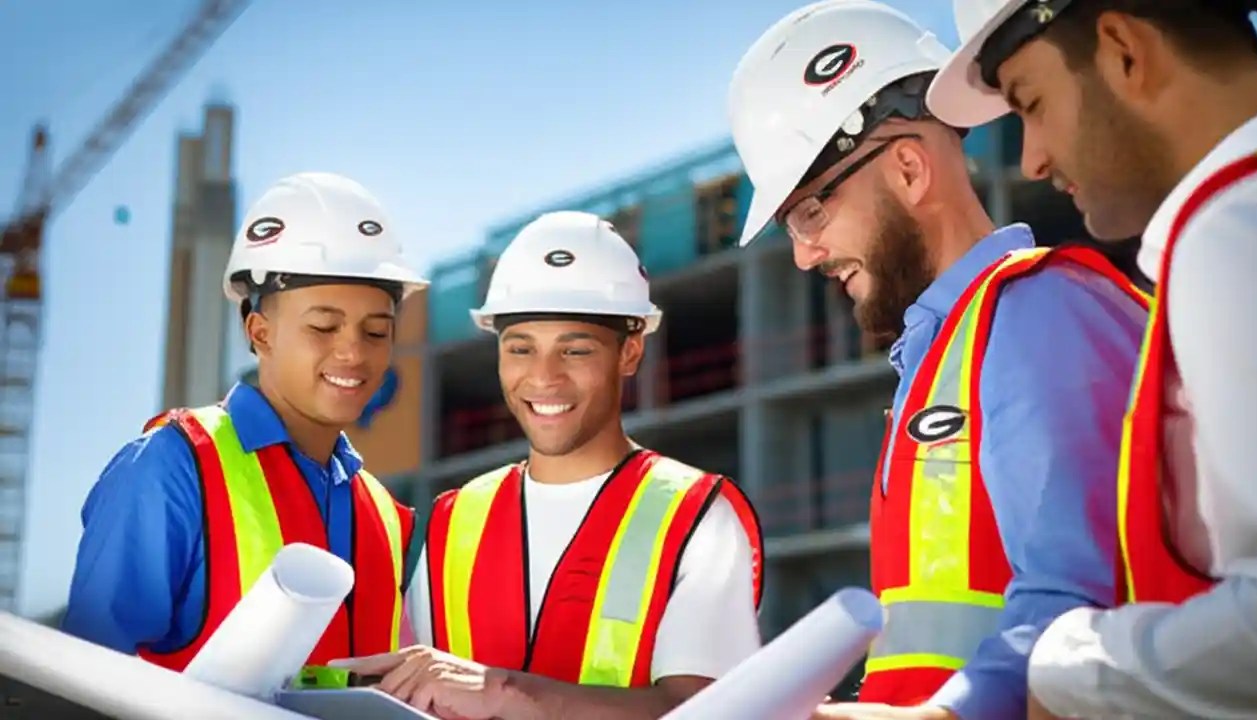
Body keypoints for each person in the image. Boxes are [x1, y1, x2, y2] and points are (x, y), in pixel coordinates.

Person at [726, 2, 1150, 719]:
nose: (804, 255)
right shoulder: (947, 357)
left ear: (910, 169)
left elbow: (1090, 601)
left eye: (810, 215)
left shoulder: (1041, 311)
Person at [926, 0, 1257, 717]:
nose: (1032, 159)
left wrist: (1064, 667)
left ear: (1122, 50)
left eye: (1031, 103)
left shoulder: (1238, 231)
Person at [330, 210, 765, 719]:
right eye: (520, 349)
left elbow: (716, 715)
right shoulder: (456, 519)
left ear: (630, 352)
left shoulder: (697, 516)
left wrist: (507, 692)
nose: (543, 378)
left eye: (575, 350)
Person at [62, 172, 428, 686]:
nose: (353, 352)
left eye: (376, 332)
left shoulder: (387, 517)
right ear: (260, 332)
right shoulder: (172, 467)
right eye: (323, 326)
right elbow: (78, 688)